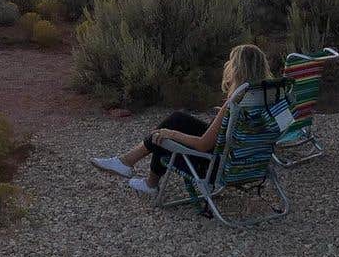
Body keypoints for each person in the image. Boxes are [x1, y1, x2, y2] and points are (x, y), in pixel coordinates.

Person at [91, 43, 273, 196]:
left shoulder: (235, 101)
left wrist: (172, 134)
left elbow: (203, 145)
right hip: (247, 161)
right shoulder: (266, 96)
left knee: (165, 136)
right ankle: (128, 164)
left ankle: (141, 176)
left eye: (231, 64)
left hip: (218, 166)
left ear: (238, 69)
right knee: (177, 119)